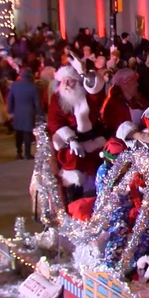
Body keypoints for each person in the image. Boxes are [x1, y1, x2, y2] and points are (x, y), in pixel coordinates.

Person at [47, 65, 107, 200]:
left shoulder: (86, 95)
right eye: (64, 81)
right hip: (69, 141)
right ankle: (75, 196)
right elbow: (54, 122)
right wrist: (71, 140)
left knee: (100, 160)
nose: (67, 84)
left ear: (77, 82)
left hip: (91, 137)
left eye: (70, 81)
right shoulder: (57, 99)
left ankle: (96, 194)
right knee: (73, 163)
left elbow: (97, 90)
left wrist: (87, 73)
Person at [7, 68, 41, 159]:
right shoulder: (33, 86)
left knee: (18, 133)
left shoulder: (15, 85)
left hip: (18, 112)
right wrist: (40, 113)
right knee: (27, 133)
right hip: (29, 112)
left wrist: (10, 111)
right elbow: (37, 102)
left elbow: (10, 99)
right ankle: (27, 153)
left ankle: (18, 152)